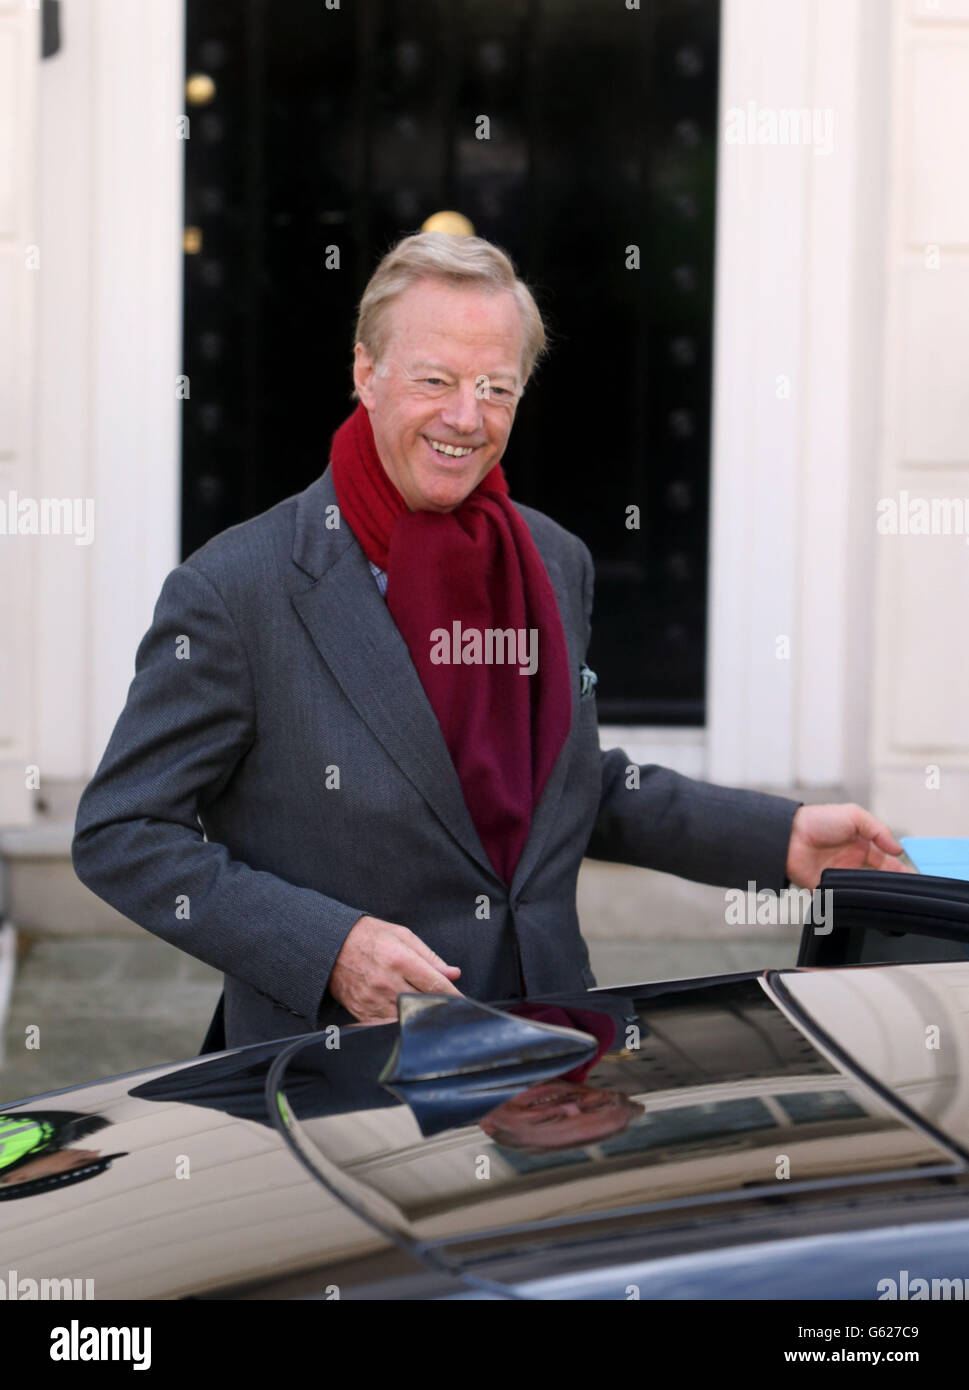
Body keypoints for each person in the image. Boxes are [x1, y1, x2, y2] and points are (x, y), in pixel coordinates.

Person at [72, 231, 908, 1052]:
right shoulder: (235, 588)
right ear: (366, 373)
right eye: (434, 380)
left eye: (496, 388)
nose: (465, 418)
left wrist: (779, 837)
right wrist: (328, 948)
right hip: (340, 1080)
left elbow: (565, 787)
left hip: (549, 1049)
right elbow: (123, 831)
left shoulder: (551, 559)